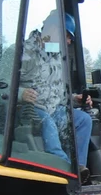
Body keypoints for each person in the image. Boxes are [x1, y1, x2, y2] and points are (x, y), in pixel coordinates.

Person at [18, 11, 93, 179]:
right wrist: (21, 93)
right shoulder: (23, 52)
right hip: (28, 111)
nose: (68, 41)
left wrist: (74, 99)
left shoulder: (56, 55)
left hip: (52, 109)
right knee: (47, 121)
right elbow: (0, 87)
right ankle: (65, 168)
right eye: (67, 36)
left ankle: (79, 166)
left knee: (83, 119)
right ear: (53, 28)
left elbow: (54, 90)